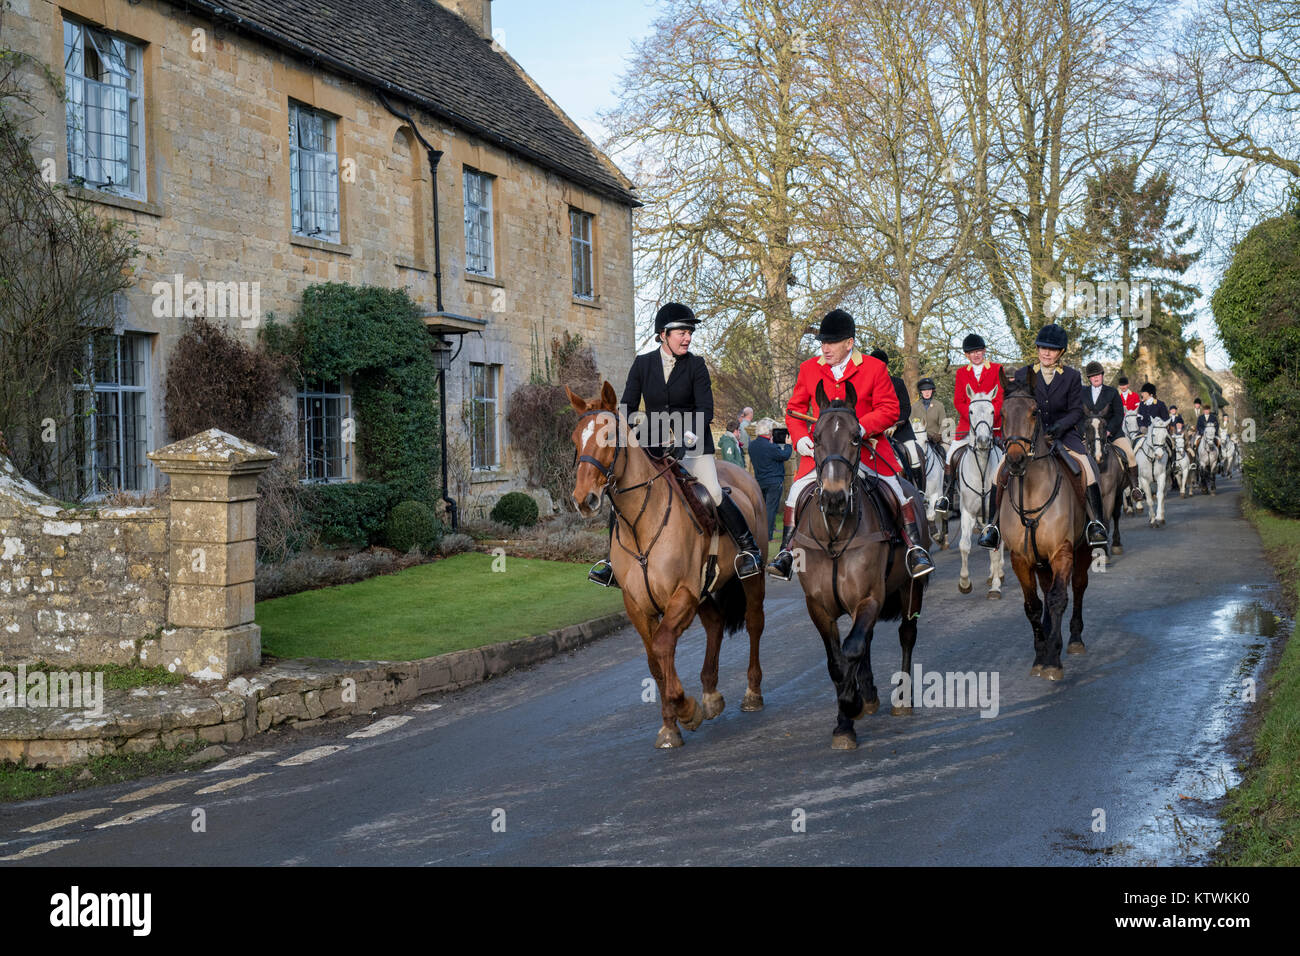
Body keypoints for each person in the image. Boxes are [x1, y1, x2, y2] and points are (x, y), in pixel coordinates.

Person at [588, 303, 763, 586]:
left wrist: (687, 438)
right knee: (621, 495)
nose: (688, 337)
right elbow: (628, 408)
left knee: (714, 492)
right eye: (682, 331)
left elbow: (706, 410)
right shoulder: (642, 364)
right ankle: (612, 562)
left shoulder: (696, 365)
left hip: (693, 445)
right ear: (663, 334)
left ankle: (748, 549)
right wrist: (636, 430)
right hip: (653, 446)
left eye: (690, 332)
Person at [768, 309, 934, 581]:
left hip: (867, 451)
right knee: (795, 492)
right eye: (822, 342)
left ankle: (915, 549)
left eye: (831, 342)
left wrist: (862, 427)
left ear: (849, 343)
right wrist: (801, 439)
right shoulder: (809, 369)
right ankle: (787, 554)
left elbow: (890, 408)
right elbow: (794, 411)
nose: (825, 348)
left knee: (898, 491)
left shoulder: (874, 368)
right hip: (822, 454)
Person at [977, 323, 1109, 551]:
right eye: (1043, 348)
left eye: (1053, 349)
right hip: (1029, 437)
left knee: (1086, 467)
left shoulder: (1071, 376)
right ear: (1037, 349)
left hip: (1064, 435)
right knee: (997, 472)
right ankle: (992, 526)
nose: (1047, 353)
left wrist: (1059, 427)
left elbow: (1077, 410)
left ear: (1061, 352)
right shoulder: (1022, 374)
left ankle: (1096, 524)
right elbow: (1016, 405)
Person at [941, 333, 1004, 514]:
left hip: (994, 426)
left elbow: (1000, 398)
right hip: (967, 426)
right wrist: (974, 420)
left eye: (978, 351)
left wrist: (987, 419)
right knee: (950, 455)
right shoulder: (961, 373)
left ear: (984, 351)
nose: (976, 355)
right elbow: (959, 401)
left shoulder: (996, 369)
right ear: (966, 355)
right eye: (971, 352)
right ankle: (947, 495)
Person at [1081, 361, 1143, 501]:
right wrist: (1083, 433)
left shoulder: (1112, 392)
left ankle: (1135, 487)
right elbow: (1079, 415)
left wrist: (1109, 431)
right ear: (1089, 378)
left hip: (1112, 434)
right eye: (1092, 376)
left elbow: (1119, 414)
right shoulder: (1082, 392)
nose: (1096, 378)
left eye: (1098, 375)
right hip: (1090, 435)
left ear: (1102, 375)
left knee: (1130, 454)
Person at [871, 348, 924, 489]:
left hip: (900, 430)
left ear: (886, 367)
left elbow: (906, 408)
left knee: (913, 455)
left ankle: (920, 492)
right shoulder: (869, 386)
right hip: (876, 432)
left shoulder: (898, 383)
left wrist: (894, 425)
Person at [748, 418, 792, 539]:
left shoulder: (752, 446)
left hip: (760, 480)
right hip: (774, 481)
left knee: (762, 509)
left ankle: (760, 532)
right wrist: (788, 445)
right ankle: (767, 536)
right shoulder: (770, 447)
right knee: (771, 509)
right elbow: (785, 455)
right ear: (768, 432)